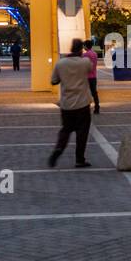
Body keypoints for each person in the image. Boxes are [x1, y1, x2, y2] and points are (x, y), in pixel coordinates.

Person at [48, 39, 93, 168]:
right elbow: (90, 71)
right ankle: (79, 159)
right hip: (82, 103)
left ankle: (59, 149)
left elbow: (53, 81)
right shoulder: (85, 62)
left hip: (66, 104)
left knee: (66, 129)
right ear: (81, 49)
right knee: (82, 132)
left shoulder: (60, 63)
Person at [82, 37, 101, 114]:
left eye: (84, 46)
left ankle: (86, 108)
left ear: (86, 46)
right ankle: (97, 107)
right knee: (94, 93)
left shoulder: (85, 55)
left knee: (85, 93)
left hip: (87, 77)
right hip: (94, 76)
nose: (83, 47)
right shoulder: (94, 54)